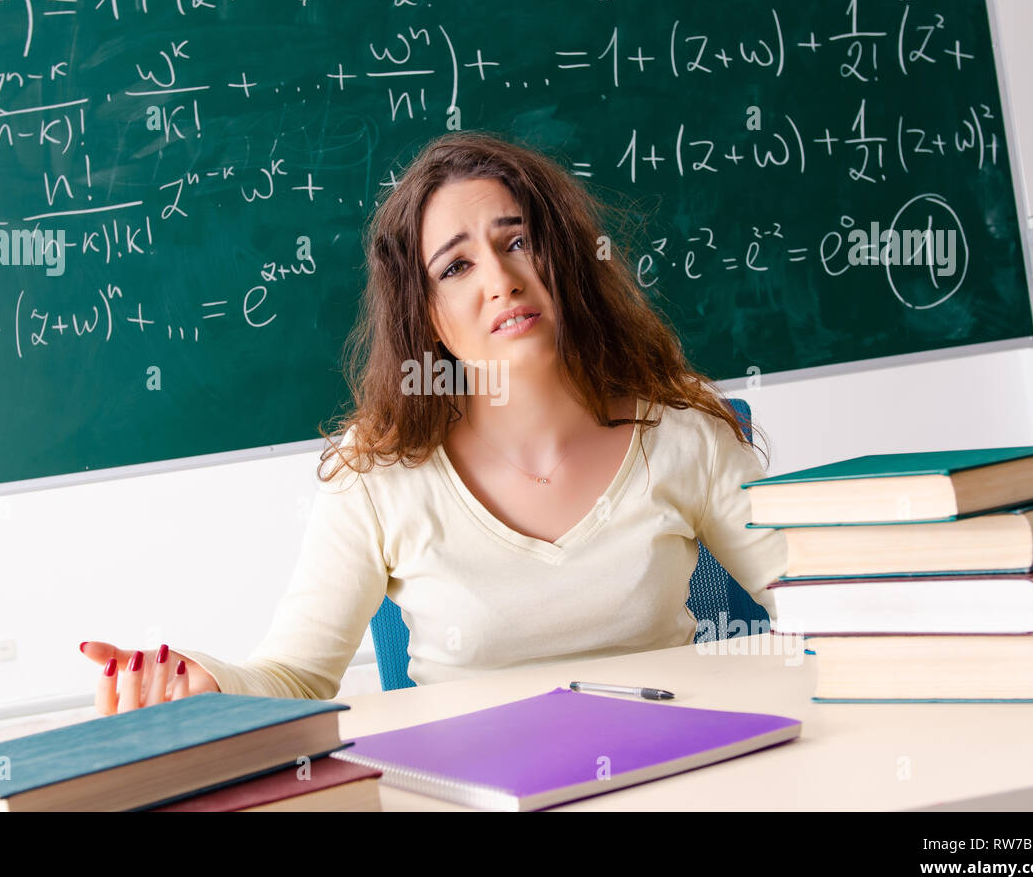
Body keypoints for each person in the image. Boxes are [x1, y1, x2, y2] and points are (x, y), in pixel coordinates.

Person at [80, 131, 787, 712]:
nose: (500, 280)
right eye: (455, 267)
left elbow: (825, 599)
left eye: (518, 241)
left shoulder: (680, 424)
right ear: (427, 315)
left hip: (668, 777)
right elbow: (295, 679)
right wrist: (206, 680)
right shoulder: (376, 471)